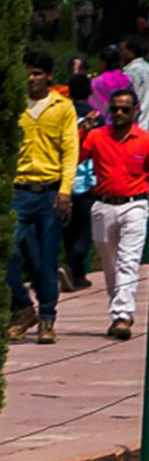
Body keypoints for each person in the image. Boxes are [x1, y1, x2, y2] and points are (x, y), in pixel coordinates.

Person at [82, 81, 149, 342]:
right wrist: (82, 132)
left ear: (136, 111)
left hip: (135, 205)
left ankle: (122, 315)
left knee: (128, 261)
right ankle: (118, 310)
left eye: (125, 109)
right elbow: (76, 158)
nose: (119, 114)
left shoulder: (147, 142)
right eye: (116, 110)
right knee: (108, 264)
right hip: (102, 205)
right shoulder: (97, 137)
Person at [13, 56, 73, 343]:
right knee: (8, 253)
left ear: (49, 77)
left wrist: (65, 190)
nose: (31, 79)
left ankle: (47, 318)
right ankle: (23, 306)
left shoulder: (62, 107)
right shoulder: (15, 105)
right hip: (19, 189)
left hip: (50, 191)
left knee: (48, 260)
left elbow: (70, 150)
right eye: (28, 74)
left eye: (37, 74)